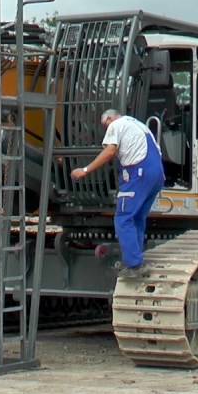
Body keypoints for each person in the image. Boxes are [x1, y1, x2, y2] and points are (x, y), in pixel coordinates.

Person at [70, 109, 165, 277]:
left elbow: (110, 151)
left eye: (104, 124)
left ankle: (134, 265)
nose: (105, 129)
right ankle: (135, 257)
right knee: (137, 218)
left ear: (108, 118)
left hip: (139, 174)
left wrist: (85, 170)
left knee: (123, 218)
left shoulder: (116, 125)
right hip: (156, 176)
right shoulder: (138, 124)